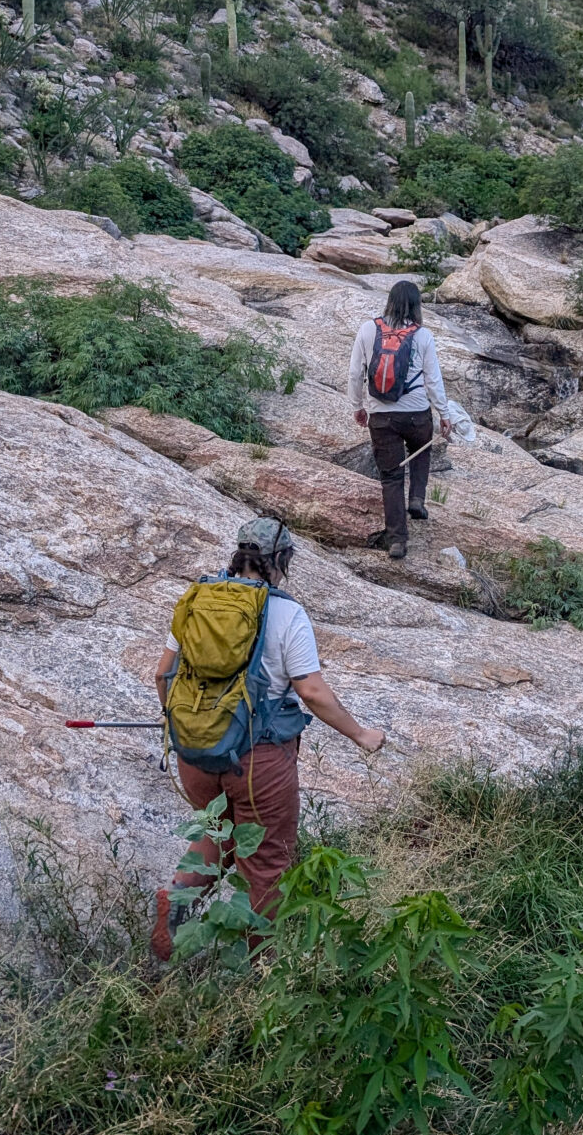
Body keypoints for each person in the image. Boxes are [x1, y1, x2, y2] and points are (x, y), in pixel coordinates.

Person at [151, 518, 386, 960]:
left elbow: (163, 673)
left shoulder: (198, 598)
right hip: (258, 761)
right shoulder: (284, 611)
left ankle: (176, 904)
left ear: (238, 555)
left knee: (217, 832)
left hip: (196, 753)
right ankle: (261, 968)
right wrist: (361, 734)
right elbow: (311, 691)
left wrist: (181, 723)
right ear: (281, 560)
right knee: (266, 863)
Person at [349, 280, 452, 560]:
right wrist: (444, 414)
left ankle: (397, 541)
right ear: (416, 305)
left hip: (381, 416)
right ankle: (417, 498)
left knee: (391, 478)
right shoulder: (422, 335)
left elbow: (355, 374)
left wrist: (358, 406)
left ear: (390, 301)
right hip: (416, 412)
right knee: (422, 445)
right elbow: (433, 380)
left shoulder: (369, 329)